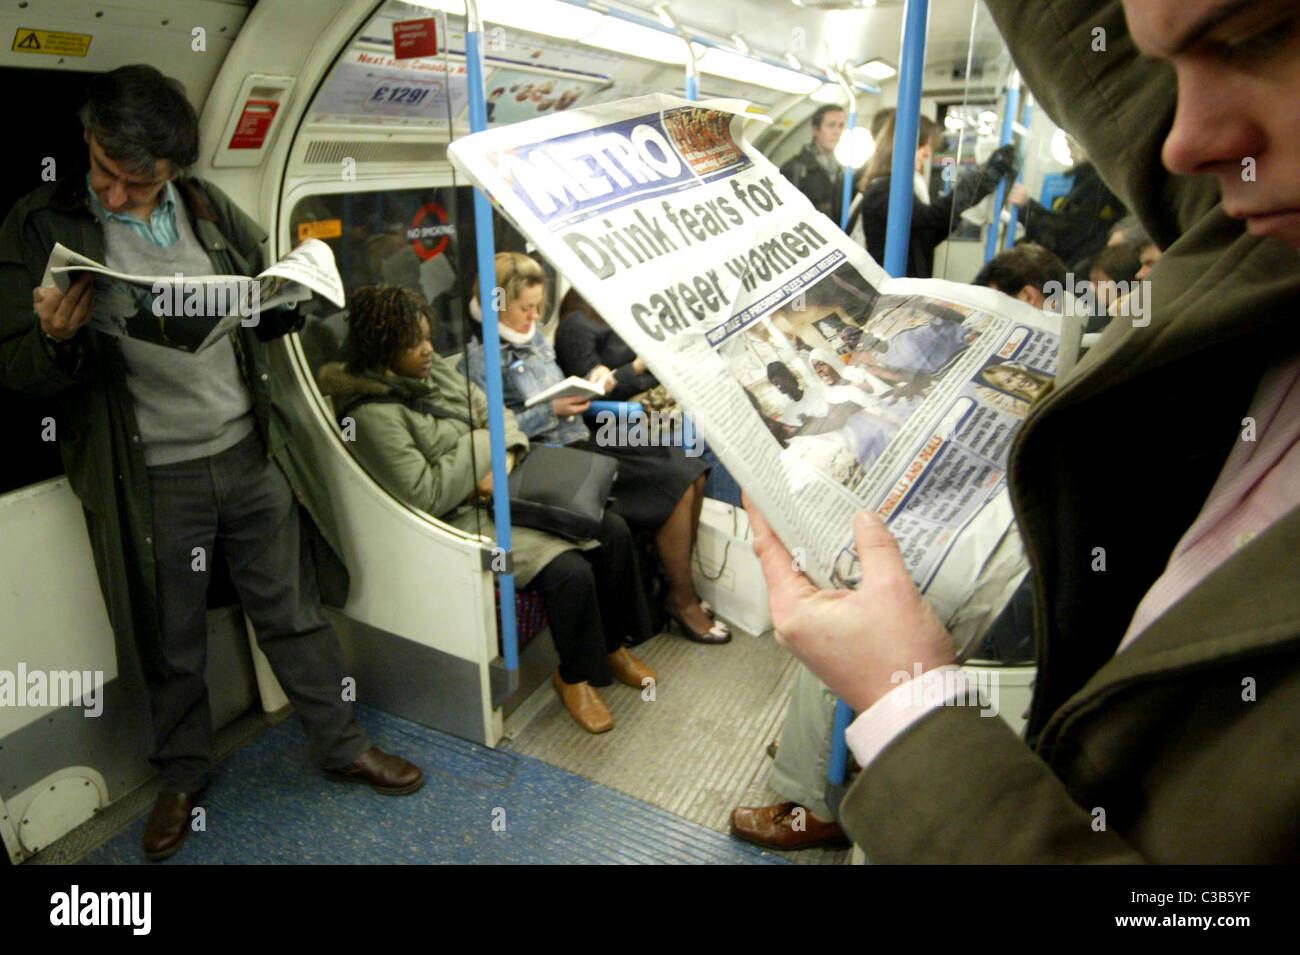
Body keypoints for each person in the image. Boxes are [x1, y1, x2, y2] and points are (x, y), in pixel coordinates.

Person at [745, 0, 1300, 863]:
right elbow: (1101, 63)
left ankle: (813, 790)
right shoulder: (1273, 233)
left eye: (1252, 37)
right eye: (1178, 65)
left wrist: (912, 709)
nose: (1185, 142)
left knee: (863, 595)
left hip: (1010, 683)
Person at [0, 66, 423, 861]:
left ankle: (340, 741)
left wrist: (290, 296)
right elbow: (15, 367)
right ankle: (182, 774)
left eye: (138, 180)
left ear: (175, 170)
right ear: (85, 141)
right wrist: (56, 339)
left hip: (247, 448)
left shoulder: (206, 207)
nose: (116, 193)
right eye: (103, 172)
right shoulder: (39, 226)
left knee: (293, 613)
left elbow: (259, 303)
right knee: (171, 639)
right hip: (150, 476)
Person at [318, 286, 656, 734]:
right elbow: (428, 491)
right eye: (411, 343)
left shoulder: (435, 371)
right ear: (381, 348)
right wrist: (485, 445)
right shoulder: (368, 414)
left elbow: (499, 415)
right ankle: (573, 676)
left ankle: (612, 646)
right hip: (459, 518)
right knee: (568, 569)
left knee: (611, 528)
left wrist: (505, 455)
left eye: (426, 337)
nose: (426, 351)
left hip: (503, 485)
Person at [463, 252, 728, 643]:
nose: (535, 318)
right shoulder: (480, 361)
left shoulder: (532, 337)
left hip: (579, 434)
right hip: (545, 455)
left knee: (689, 465)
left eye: (539, 307)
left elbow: (556, 384)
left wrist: (591, 380)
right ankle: (682, 599)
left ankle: (675, 582)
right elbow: (499, 429)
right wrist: (551, 409)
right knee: (672, 479)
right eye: (526, 308)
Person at [853, 113, 1018, 278]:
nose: (926, 155)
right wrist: (981, 180)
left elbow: (927, 235)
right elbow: (929, 220)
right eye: (921, 147)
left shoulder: (907, 187)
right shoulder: (883, 189)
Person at [1008, 137, 1127, 269]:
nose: (1069, 154)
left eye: (1071, 146)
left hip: (1080, 267)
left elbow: (1066, 233)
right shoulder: (1092, 181)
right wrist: (1028, 205)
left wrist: (1027, 208)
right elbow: (1065, 223)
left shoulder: (1098, 185)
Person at [779, 104, 847, 224]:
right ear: (816, 130)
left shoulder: (845, 171)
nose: (837, 132)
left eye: (841, 126)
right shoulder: (794, 170)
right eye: (831, 126)